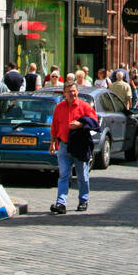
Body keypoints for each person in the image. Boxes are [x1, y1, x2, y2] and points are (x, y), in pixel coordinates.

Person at [49, 82, 98, 214]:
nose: (72, 94)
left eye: (74, 91)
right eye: (69, 91)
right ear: (65, 93)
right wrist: (53, 142)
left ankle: (83, 200)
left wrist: (81, 124)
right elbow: (55, 126)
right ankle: (61, 203)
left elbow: (94, 122)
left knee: (82, 175)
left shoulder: (84, 106)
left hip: (80, 146)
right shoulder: (59, 107)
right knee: (64, 175)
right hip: (64, 145)